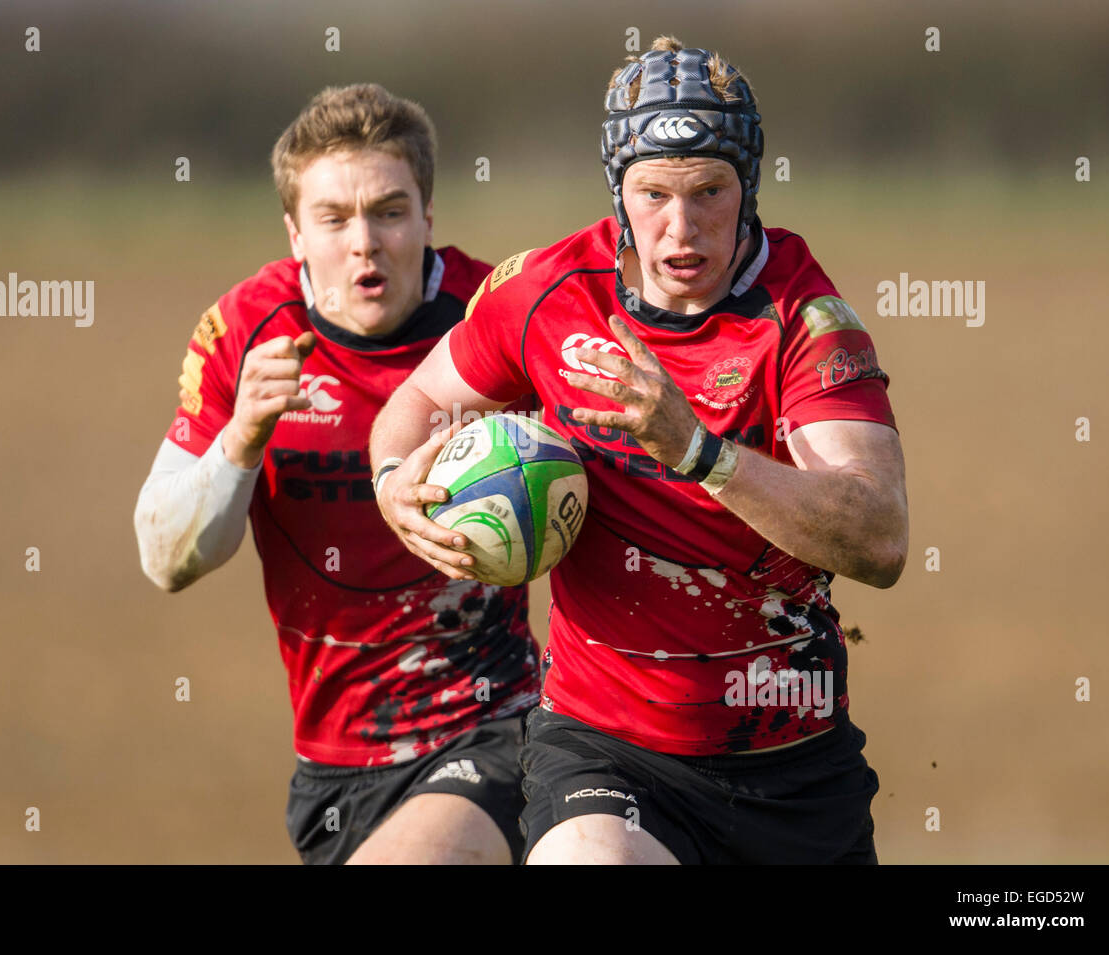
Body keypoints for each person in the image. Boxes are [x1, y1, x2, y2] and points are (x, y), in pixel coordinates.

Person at [370, 38, 909, 864]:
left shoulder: (804, 319)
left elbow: (879, 537)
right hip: (606, 750)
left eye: (710, 193)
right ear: (618, 192)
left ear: (750, 186)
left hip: (791, 764)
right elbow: (417, 400)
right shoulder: (547, 294)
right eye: (653, 193)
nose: (681, 227)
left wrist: (698, 449)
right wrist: (391, 483)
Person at [133, 84, 540, 865]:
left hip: (496, 725)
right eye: (333, 218)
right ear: (295, 233)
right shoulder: (244, 332)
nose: (365, 241)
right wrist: (242, 439)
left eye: (389, 211)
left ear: (428, 217)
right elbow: (163, 560)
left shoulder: (495, 320)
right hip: (335, 764)